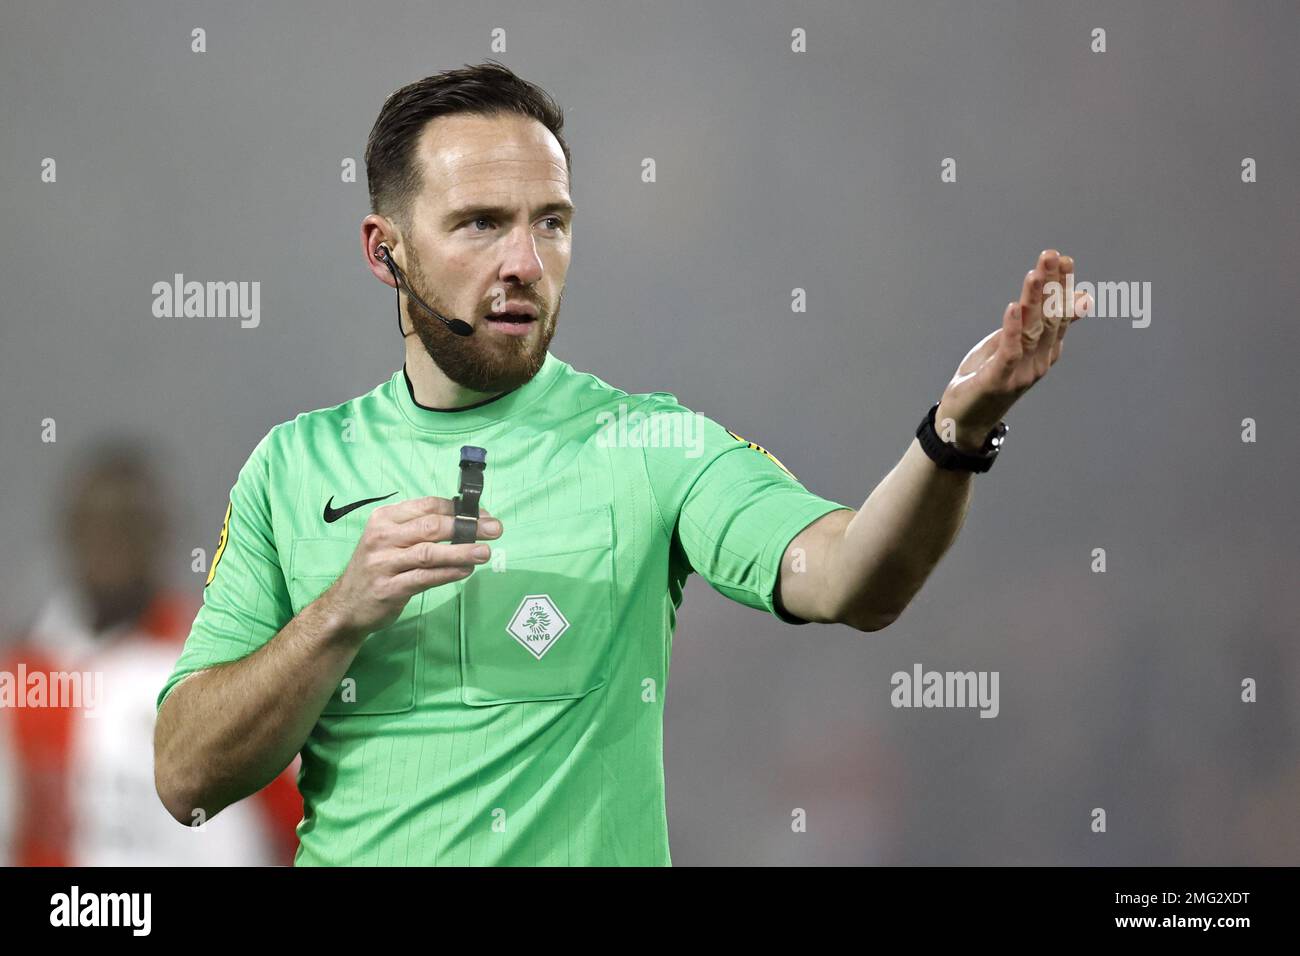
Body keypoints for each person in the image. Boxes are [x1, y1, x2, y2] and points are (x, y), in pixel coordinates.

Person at [153, 61, 1092, 866]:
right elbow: (187, 778)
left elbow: (855, 580)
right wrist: (338, 616)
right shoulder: (293, 465)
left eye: (551, 223)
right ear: (384, 251)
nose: (525, 259)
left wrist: (956, 435)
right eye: (480, 223)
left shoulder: (650, 445)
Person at [0, 441, 300, 866]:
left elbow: (298, 815)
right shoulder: (27, 678)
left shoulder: (214, 666)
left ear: (160, 534)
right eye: (96, 525)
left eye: (128, 526)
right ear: (70, 532)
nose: (111, 545)